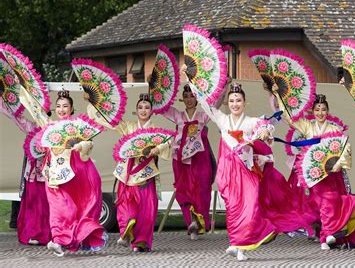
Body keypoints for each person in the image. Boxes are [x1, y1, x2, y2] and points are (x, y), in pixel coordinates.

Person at [272, 86, 355, 250]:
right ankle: (327, 235)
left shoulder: (334, 129)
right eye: (317, 109)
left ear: (328, 111)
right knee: (323, 204)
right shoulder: (308, 127)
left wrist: (338, 163)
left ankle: (328, 235)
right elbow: (289, 118)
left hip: (332, 174)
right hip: (315, 175)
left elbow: (346, 148)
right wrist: (278, 95)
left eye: (323, 109)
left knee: (330, 202)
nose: (320, 113)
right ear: (313, 111)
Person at [190, 78, 277, 261]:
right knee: (233, 207)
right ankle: (237, 245)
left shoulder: (252, 121)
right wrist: (191, 82)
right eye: (231, 101)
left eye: (238, 100)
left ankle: (239, 244)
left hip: (246, 171)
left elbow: (266, 125)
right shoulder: (222, 119)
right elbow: (205, 104)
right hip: (228, 171)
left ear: (245, 103)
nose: (235, 104)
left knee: (251, 203)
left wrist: (264, 132)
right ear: (227, 103)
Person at [20, 90, 107, 256]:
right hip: (54, 174)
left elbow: (89, 141)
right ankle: (58, 239)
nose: (61, 109)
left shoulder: (78, 125)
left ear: (72, 108)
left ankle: (65, 238)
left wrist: (81, 146)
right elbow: (35, 111)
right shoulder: (50, 126)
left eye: (65, 106)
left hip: (75, 172)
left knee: (75, 208)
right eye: (58, 106)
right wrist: (25, 92)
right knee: (59, 208)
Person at [87, 93, 171, 252]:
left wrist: (156, 149)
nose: (144, 110)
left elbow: (167, 142)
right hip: (128, 173)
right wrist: (93, 102)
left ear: (152, 111)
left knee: (147, 209)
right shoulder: (129, 126)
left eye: (147, 107)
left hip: (145, 174)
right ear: (136, 110)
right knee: (125, 205)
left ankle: (141, 241)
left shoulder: (155, 131)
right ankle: (126, 231)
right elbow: (111, 121)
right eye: (140, 107)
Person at [160, 84, 222, 240]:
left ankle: (198, 221)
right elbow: (160, 106)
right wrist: (154, 88)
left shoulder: (202, 115)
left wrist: (225, 87)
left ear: (197, 98)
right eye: (186, 96)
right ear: (183, 99)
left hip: (200, 159)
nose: (189, 99)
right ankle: (191, 222)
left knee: (202, 190)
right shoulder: (177, 115)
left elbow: (216, 104)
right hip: (180, 160)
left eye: (192, 96)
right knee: (183, 190)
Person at [0, 100, 50, 245]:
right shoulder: (31, 127)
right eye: (38, 113)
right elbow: (16, 118)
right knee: (32, 204)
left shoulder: (53, 130)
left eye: (43, 113)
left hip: (47, 175)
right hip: (31, 174)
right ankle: (32, 234)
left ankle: (47, 234)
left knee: (45, 206)